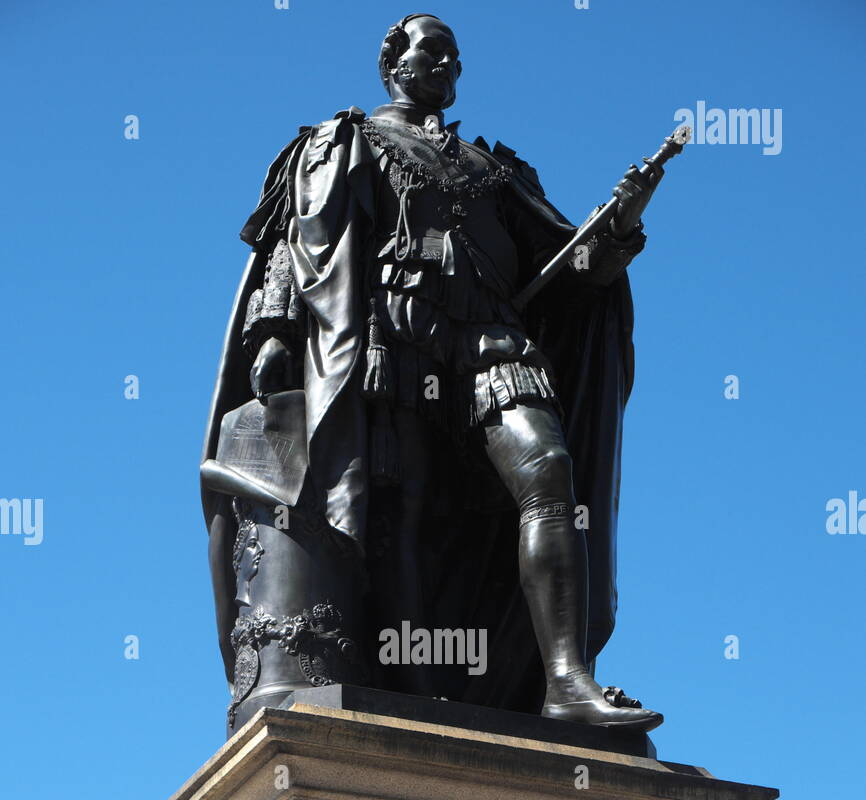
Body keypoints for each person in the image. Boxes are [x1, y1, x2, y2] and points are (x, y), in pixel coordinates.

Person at [203, 13, 664, 730]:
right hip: (395, 342)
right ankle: (416, 687)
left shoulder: (498, 170)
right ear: (394, 59)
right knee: (411, 518)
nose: (448, 66)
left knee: (547, 469)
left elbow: (573, 281)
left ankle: (567, 680)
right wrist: (273, 332)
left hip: (493, 344)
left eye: (456, 57)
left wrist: (619, 229)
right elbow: (296, 244)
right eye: (434, 53)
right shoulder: (346, 139)